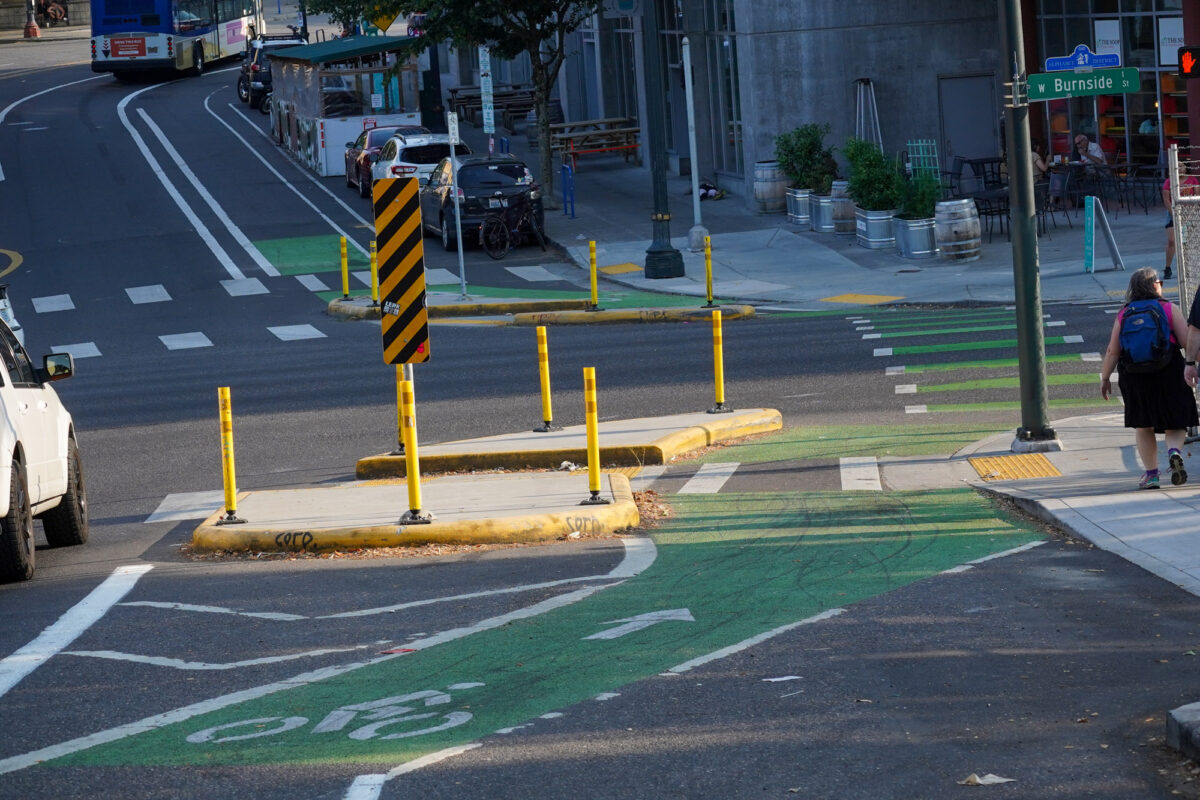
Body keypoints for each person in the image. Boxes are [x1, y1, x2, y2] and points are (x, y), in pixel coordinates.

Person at [1101, 267, 1196, 489]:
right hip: (1169, 370)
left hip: (1134, 376)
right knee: (1176, 420)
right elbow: (1186, 341)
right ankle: (1173, 452)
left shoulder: (1124, 313)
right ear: (1156, 285)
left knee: (1143, 425)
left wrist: (1105, 377)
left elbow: (1113, 351)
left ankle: (1152, 475)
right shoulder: (1169, 308)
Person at [1162, 165, 1200, 280]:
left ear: (1185, 168)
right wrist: (1174, 213)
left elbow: (1197, 196)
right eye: (1177, 166)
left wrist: (1191, 213)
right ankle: (1168, 267)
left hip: (1188, 214)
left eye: (1182, 166)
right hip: (1173, 213)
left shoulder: (1193, 180)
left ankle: (1186, 268)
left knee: (1185, 243)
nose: (1180, 168)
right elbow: (1166, 199)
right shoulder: (1169, 181)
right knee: (1172, 241)